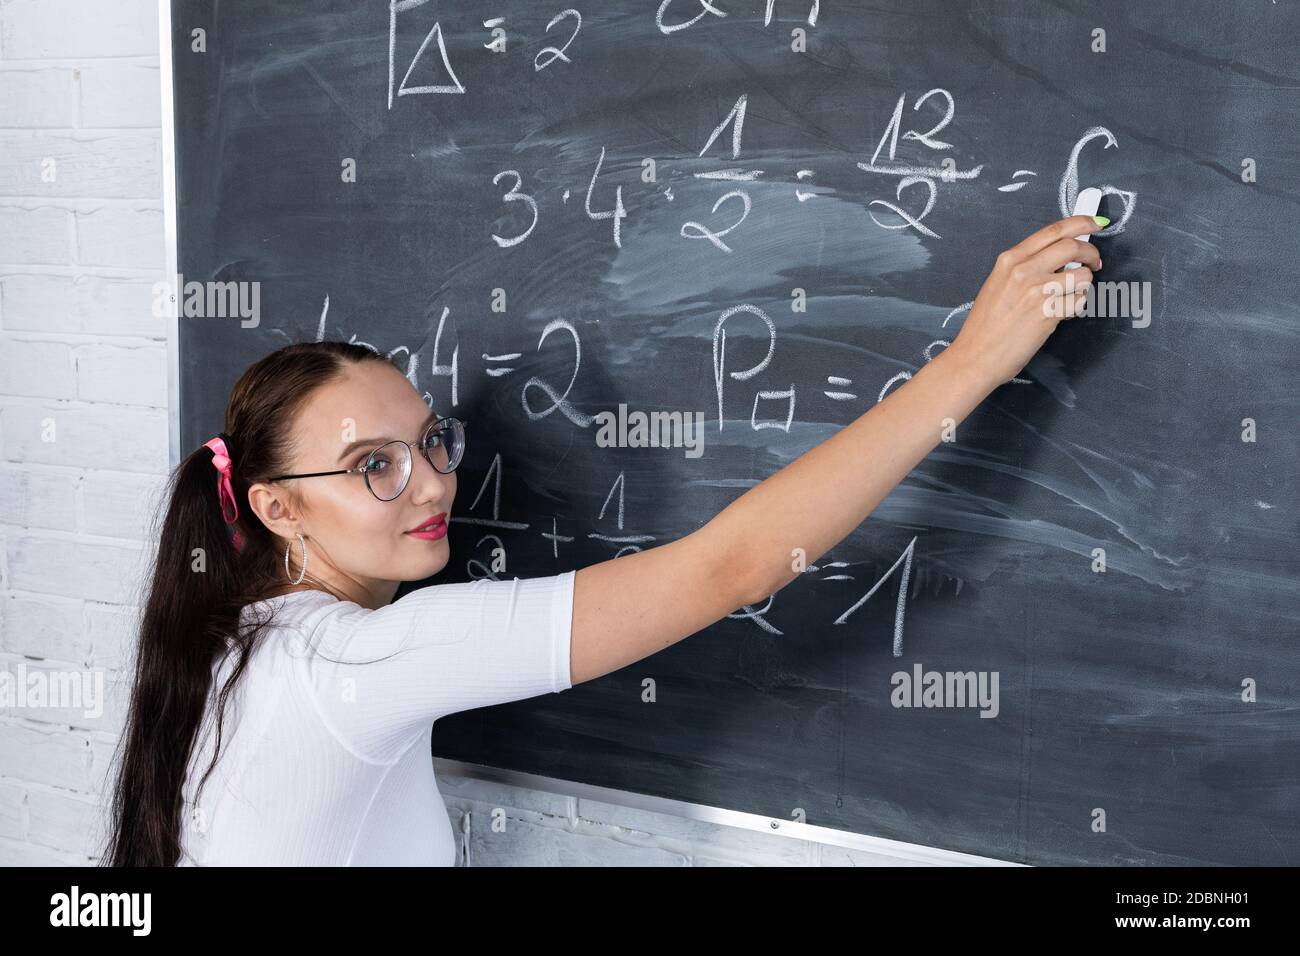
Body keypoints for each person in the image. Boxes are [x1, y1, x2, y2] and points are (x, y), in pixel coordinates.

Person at [100, 213, 1105, 866]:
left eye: (428, 441)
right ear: (277, 506)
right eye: (374, 465)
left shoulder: (239, 645)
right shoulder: (358, 656)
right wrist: (971, 363)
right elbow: (737, 564)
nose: (434, 482)